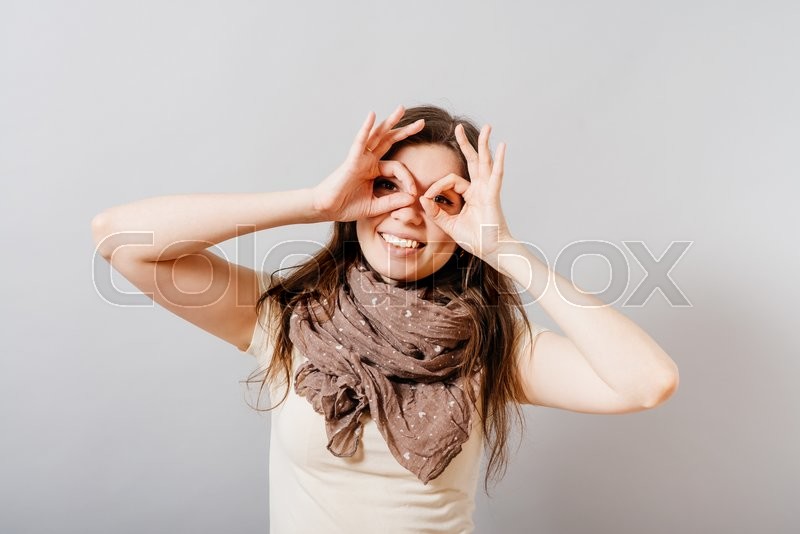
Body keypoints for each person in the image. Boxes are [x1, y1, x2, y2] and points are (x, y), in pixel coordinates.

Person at [91, 104, 680, 533]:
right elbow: (118, 237)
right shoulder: (289, 318)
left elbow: (647, 382)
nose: (410, 215)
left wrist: (504, 249)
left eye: (442, 201)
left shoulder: (493, 343)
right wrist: (315, 203)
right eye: (390, 188)